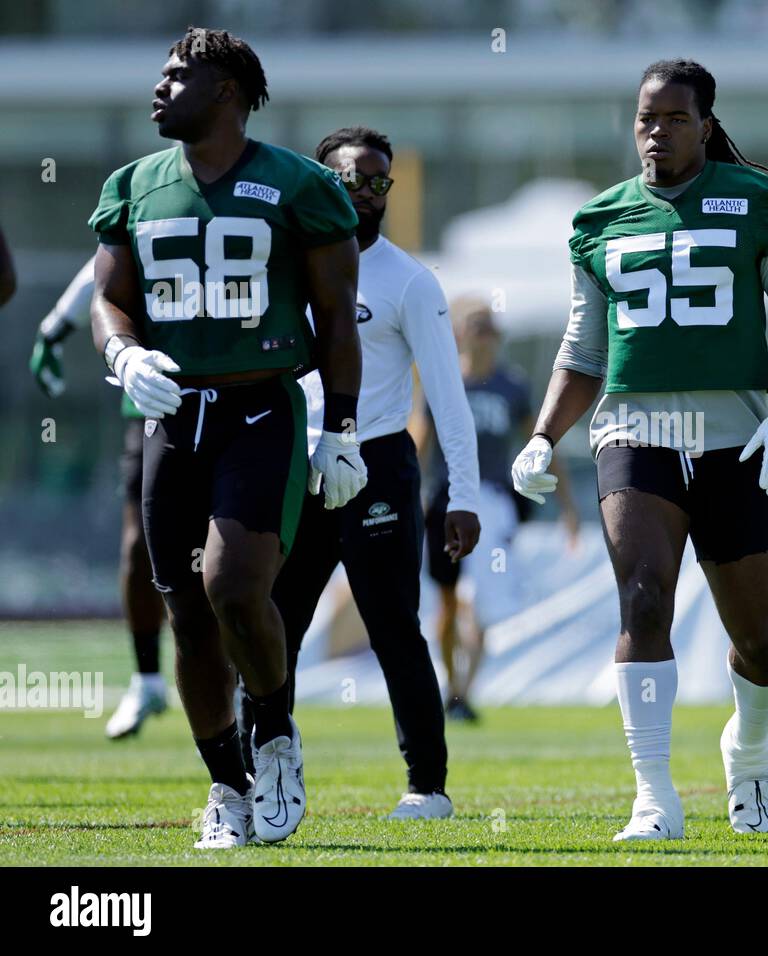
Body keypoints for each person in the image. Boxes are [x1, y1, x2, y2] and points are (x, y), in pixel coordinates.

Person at [512, 59, 768, 840]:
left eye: (674, 119)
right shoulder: (601, 219)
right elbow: (584, 350)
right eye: (645, 118)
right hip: (636, 433)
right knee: (645, 597)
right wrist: (542, 436)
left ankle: (748, 747)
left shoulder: (758, 203)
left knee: (758, 641)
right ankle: (653, 794)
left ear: (705, 123)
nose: (656, 132)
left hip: (738, 438)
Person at [88, 27, 365, 849]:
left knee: (235, 587)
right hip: (173, 416)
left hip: (258, 410)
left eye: (179, 75)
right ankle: (226, 784)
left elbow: (337, 317)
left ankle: (274, 735)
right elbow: (111, 298)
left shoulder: (299, 185)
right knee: (189, 616)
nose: (159, 88)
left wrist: (341, 429)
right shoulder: (134, 185)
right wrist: (122, 350)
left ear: (229, 93)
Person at [236, 126, 481, 819]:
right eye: (352, 178)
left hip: (376, 465)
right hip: (296, 464)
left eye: (380, 181)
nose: (367, 192)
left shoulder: (409, 279)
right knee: (269, 619)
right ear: (322, 181)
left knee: (392, 624)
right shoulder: (283, 267)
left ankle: (427, 787)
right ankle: (262, 766)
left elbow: (447, 397)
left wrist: (461, 494)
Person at [417, 296, 577, 723]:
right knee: (448, 603)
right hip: (446, 500)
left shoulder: (512, 386)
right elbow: (421, 443)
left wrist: (568, 507)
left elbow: (540, 442)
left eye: (491, 330)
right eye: (477, 328)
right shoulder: (444, 382)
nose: (485, 339)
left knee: (487, 599)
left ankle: (463, 693)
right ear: (459, 334)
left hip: (494, 502)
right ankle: (453, 686)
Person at [30, 257, 169, 738]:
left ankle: (235, 689)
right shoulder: (143, 189)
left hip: (231, 388)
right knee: (140, 543)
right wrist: (54, 328)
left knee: (225, 551)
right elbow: (103, 266)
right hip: (151, 397)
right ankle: (148, 677)